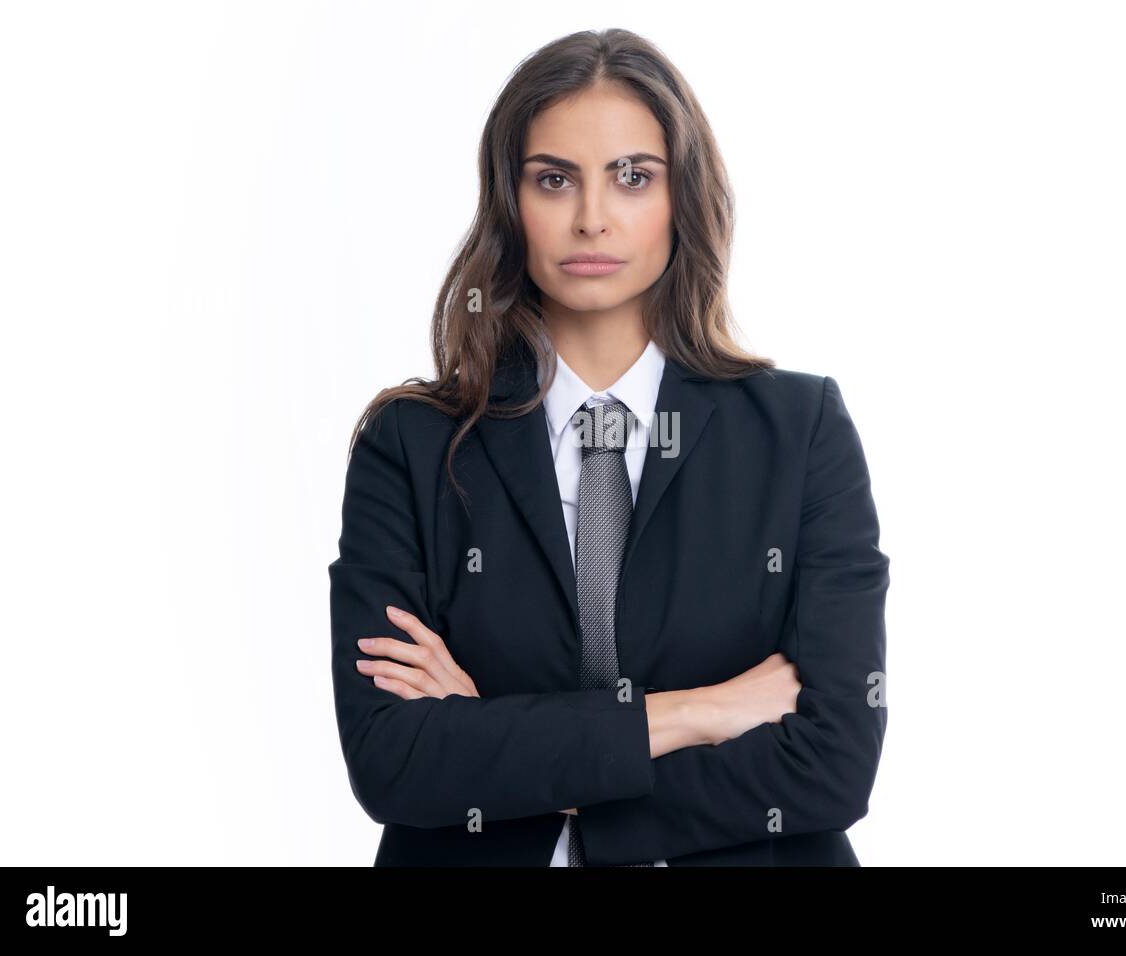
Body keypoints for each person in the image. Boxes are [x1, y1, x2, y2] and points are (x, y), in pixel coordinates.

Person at [328, 28, 889, 867]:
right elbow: (395, 762)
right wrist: (694, 714)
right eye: (554, 179)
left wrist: (505, 754)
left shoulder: (799, 430)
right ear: (509, 203)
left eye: (633, 176)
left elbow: (833, 764)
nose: (592, 217)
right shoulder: (409, 446)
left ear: (681, 197)